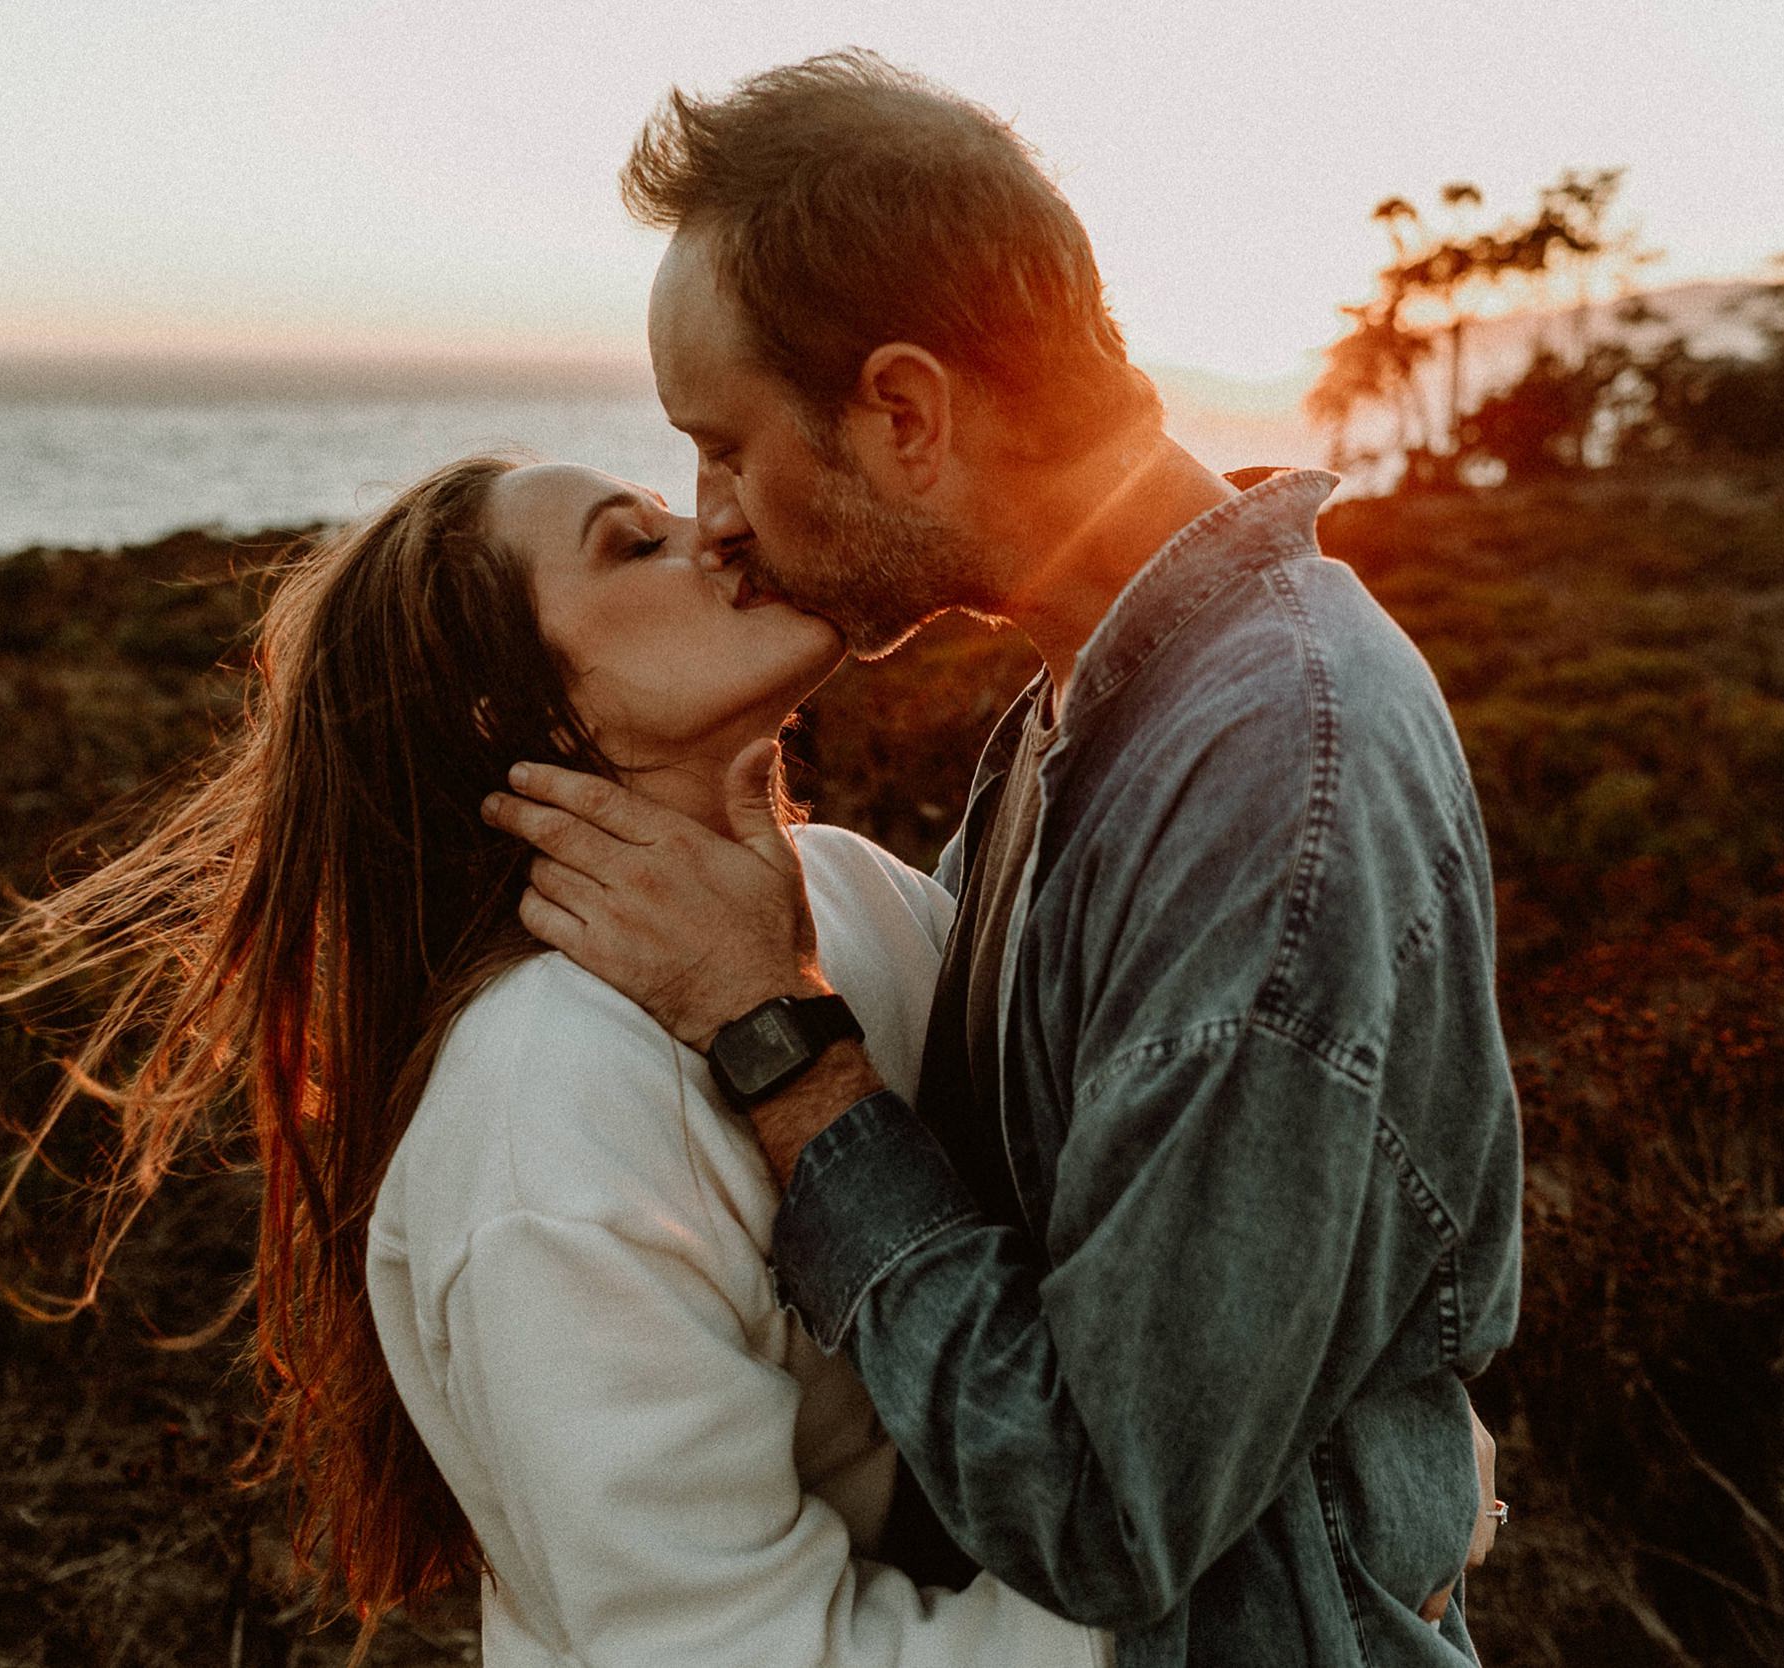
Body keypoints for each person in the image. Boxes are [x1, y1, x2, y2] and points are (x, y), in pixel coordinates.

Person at [483, 52, 1523, 1667]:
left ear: (904, 413)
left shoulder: (1266, 776)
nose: (717, 519)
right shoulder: (1098, 704)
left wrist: (775, 1030)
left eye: (724, 445)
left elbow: (1104, 1508)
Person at [0, 453, 1107, 1667]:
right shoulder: (543, 1115)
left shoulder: (846, 889)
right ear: (515, 713)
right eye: (633, 543)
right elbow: (723, 1647)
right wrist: (1184, 1625)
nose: (720, 530)